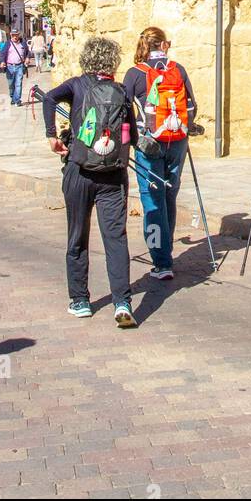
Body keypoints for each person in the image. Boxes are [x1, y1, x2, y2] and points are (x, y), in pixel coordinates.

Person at [43, 35, 138, 327]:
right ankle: (122, 302)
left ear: (86, 59)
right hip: (113, 176)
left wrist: (52, 136)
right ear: (113, 61)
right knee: (116, 239)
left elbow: (48, 98)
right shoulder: (121, 92)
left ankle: (80, 301)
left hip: (79, 171)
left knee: (77, 235)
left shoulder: (76, 85)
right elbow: (133, 136)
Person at [123, 27, 197, 282]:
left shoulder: (135, 73)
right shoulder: (178, 69)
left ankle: (161, 261)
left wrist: (130, 139)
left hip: (148, 143)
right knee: (169, 195)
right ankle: (168, 251)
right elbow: (192, 105)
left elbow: (124, 109)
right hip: (177, 141)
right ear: (164, 45)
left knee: (152, 201)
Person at [0, 30, 29, 105]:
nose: (15, 37)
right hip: (10, 67)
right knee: (11, 85)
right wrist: (2, 62)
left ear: (18, 35)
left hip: (20, 66)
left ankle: (17, 100)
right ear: (11, 35)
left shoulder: (23, 43)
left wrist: (27, 58)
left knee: (18, 83)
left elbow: (28, 52)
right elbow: (3, 53)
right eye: (13, 35)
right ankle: (13, 97)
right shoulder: (8, 43)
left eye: (16, 35)